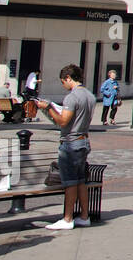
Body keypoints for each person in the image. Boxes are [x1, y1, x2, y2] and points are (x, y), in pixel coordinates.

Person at [35, 64, 95, 230]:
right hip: (83, 140)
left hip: (71, 143)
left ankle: (67, 218)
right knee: (81, 181)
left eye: (63, 82)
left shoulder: (72, 97)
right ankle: (84, 215)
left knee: (70, 181)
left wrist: (48, 108)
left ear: (68, 78)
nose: (63, 85)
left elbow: (63, 121)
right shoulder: (89, 96)